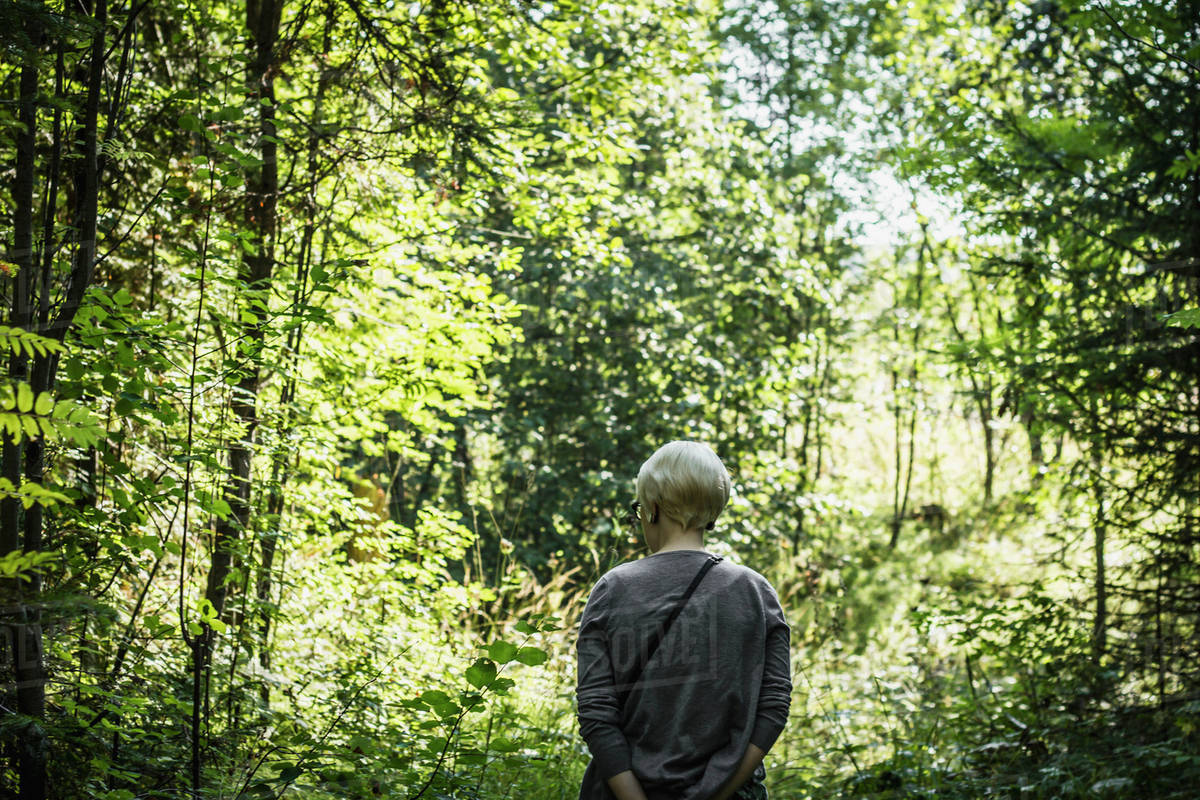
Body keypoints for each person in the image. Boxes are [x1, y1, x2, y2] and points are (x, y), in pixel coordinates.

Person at [575, 441, 792, 800]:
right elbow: (773, 707)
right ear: (713, 512)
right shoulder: (756, 591)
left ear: (653, 508)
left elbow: (596, 711)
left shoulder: (612, 589)